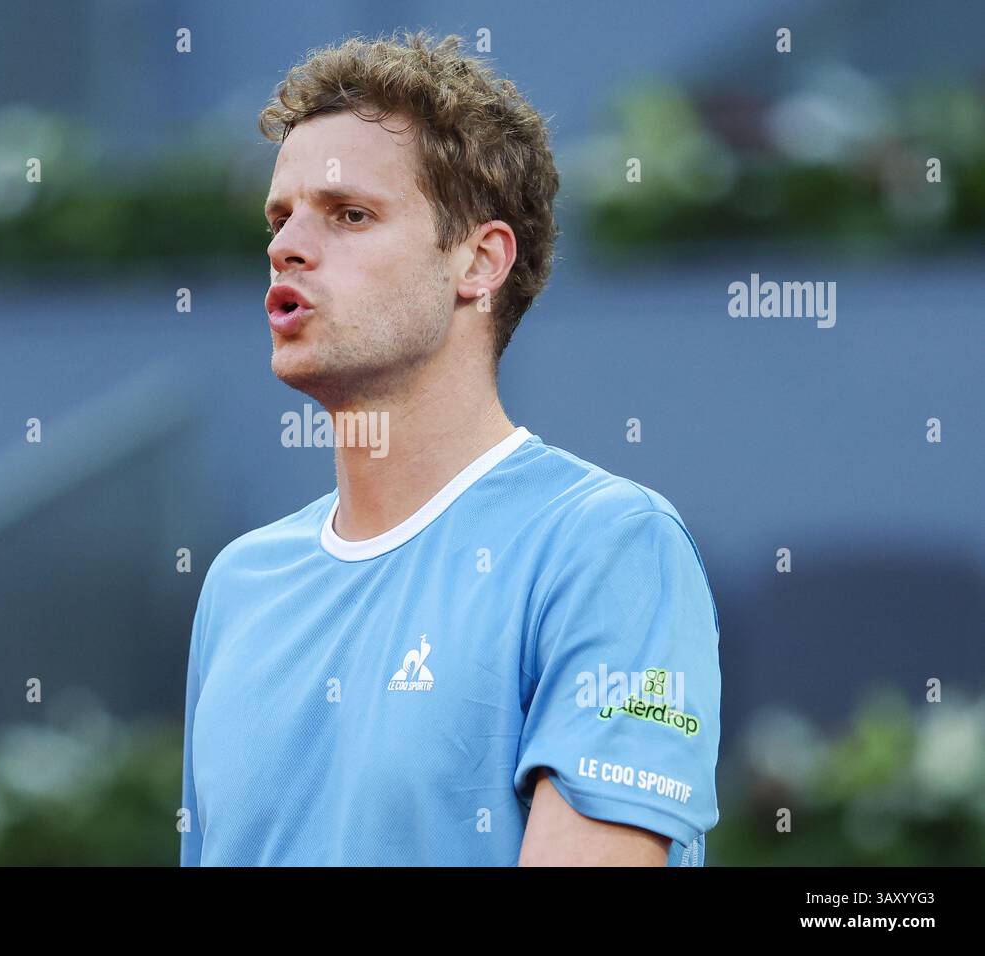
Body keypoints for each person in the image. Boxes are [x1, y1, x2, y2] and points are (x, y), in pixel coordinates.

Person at [179, 29, 720, 866]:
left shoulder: (613, 548)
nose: (285, 245)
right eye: (280, 217)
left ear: (478, 261)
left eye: (349, 215)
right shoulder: (236, 586)